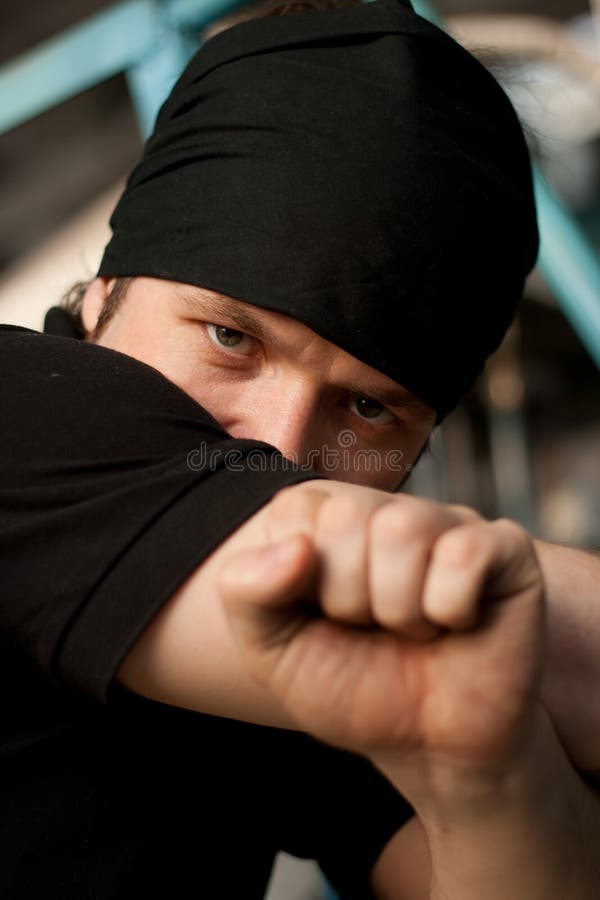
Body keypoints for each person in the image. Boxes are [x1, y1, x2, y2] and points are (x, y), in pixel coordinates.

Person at [1, 0, 599, 897]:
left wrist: (487, 779)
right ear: (105, 288)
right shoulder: (18, 409)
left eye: (366, 407)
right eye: (231, 340)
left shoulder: (330, 626)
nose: (280, 450)